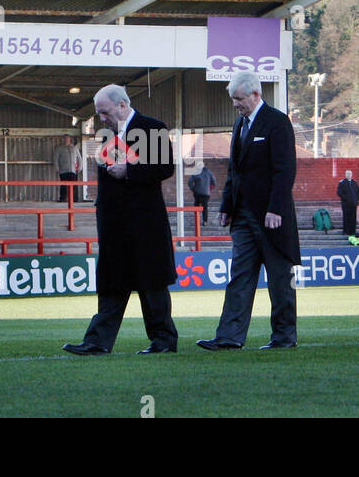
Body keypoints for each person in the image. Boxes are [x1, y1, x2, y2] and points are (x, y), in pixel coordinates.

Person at [62, 85, 179, 356]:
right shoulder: (107, 135)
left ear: (123, 105)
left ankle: (163, 341)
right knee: (112, 282)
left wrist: (129, 170)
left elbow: (165, 168)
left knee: (152, 283)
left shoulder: (152, 128)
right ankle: (97, 342)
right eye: (99, 113)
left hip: (145, 223)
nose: (101, 118)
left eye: (105, 112)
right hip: (114, 223)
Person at [198, 71, 300, 351]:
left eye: (239, 99)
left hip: (271, 217)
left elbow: (285, 169)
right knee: (239, 276)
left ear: (256, 95)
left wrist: (276, 208)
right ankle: (229, 337)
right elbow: (235, 170)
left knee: (281, 279)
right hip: (243, 217)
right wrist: (227, 206)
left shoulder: (277, 122)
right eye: (233, 99)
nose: (235, 104)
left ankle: (284, 336)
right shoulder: (240, 124)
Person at [52, 135, 82, 202]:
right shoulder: (59, 148)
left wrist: (80, 167)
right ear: (63, 139)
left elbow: (79, 158)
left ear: (70, 139)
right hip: (63, 170)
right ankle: (62, 198)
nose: (66, 140)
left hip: (73, 170)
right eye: (65, 138)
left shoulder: (74, 148)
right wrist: (57, 168)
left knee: (73, 185)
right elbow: (55, 159)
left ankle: (73, 199)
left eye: (68, 138)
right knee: (63, 185)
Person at [188, 161, 216, 225]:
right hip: (206, 193)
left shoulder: (195, 172)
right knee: (205, 207)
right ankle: (205, 221)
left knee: (196, 205)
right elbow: (214, 182)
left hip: (197, 193)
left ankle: (196, 220)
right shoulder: (209, 172)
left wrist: (193, 189)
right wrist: (209, 189)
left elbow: (190, 182)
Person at [337, 169, 359, 235]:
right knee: (346, 217)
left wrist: (356, 200)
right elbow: (339, 192)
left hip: (353, 204)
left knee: (353, 218)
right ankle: (346, 231)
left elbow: (358, 192)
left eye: (350, 174)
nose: (349, 175)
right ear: (345, 175)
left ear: (352, 174)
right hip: (346, 204)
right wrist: (346, 199)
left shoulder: (354, 183)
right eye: (347, 174)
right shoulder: (342, 183)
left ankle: (352, 231)